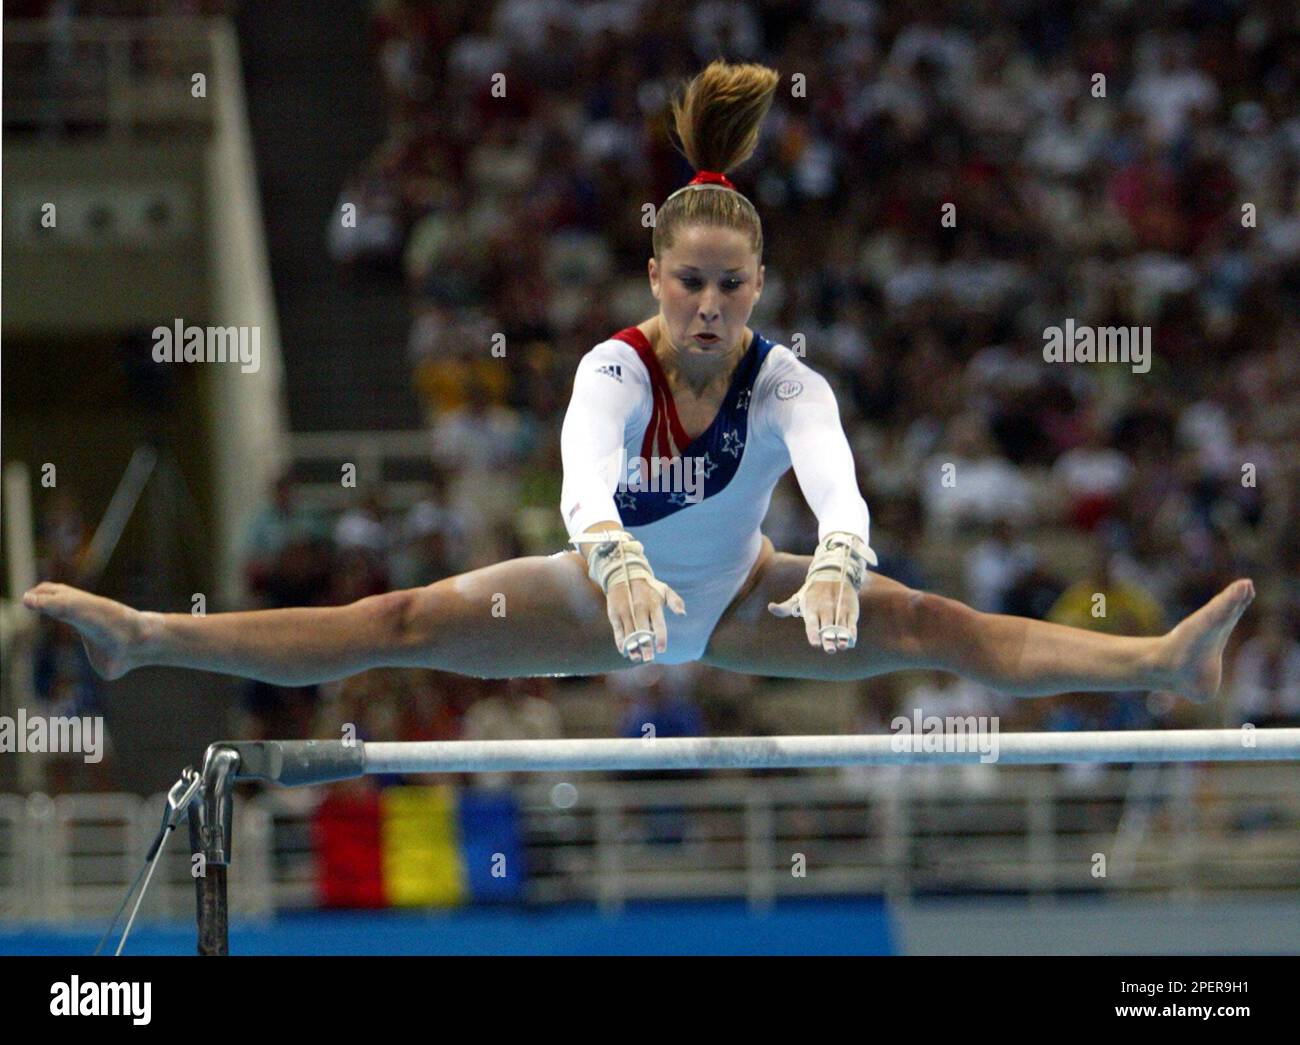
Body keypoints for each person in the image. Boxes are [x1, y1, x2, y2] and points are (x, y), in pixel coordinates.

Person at [23, 62, 1253, 708]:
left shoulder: (788, 387)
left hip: (736, 600)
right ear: (656, 278)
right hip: (590, 598)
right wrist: (609, 559)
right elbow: (580, 481)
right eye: (690, 286)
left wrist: (838, 555)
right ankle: (148, 638)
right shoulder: (616, 366)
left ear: (759, 287)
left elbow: (834, 485)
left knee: (936, 625)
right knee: (393, 627)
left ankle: (1156, 665)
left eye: (732, 288)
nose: (710, 309)